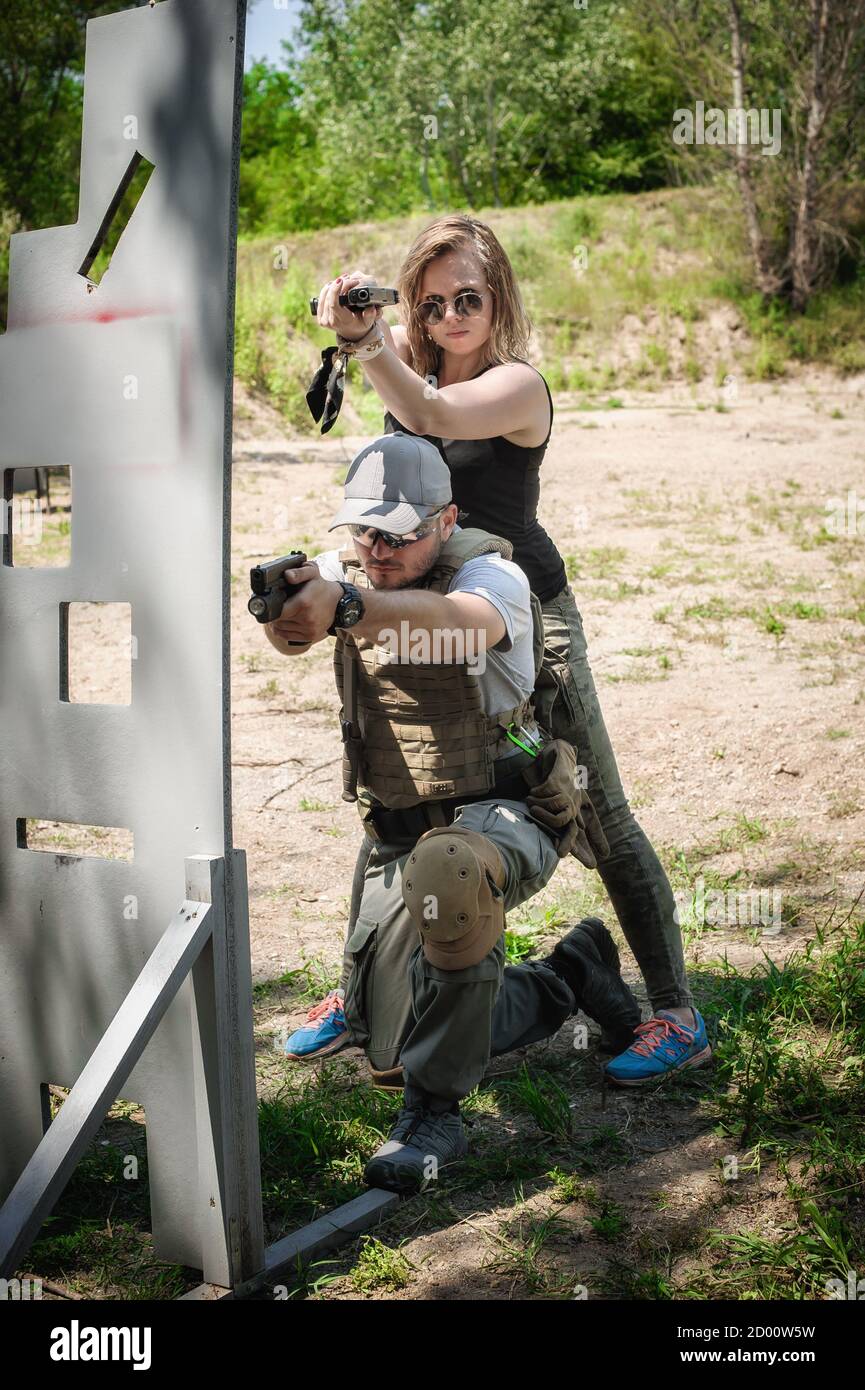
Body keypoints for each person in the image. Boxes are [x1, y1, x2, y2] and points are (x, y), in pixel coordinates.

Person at [284, 215, 711, 1087]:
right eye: (430, 302)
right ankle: (356, 998)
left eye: (467, 298)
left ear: (498, 298)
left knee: (596, 806)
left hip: (526, 615)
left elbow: (429, 411)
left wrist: (369, 340)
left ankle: (675, 1011)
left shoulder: (519, 385)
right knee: (393, 784)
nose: (448, 316)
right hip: (430, 601)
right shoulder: (411, 359)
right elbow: (396, 382)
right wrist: (353, 313)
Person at [264, 432, 651, 1192]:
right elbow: (299, 633)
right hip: (403, 827)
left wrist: (348, 602)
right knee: (390, 1046)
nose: (376, 550)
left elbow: (456, 620)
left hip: (506, 812)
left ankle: (434, 1113)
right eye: (363, 531)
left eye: (398, 534)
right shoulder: (353, 570)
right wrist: (294, 611)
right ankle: (567, 979)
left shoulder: (492, 575)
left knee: (452, 874)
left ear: (446, 520)